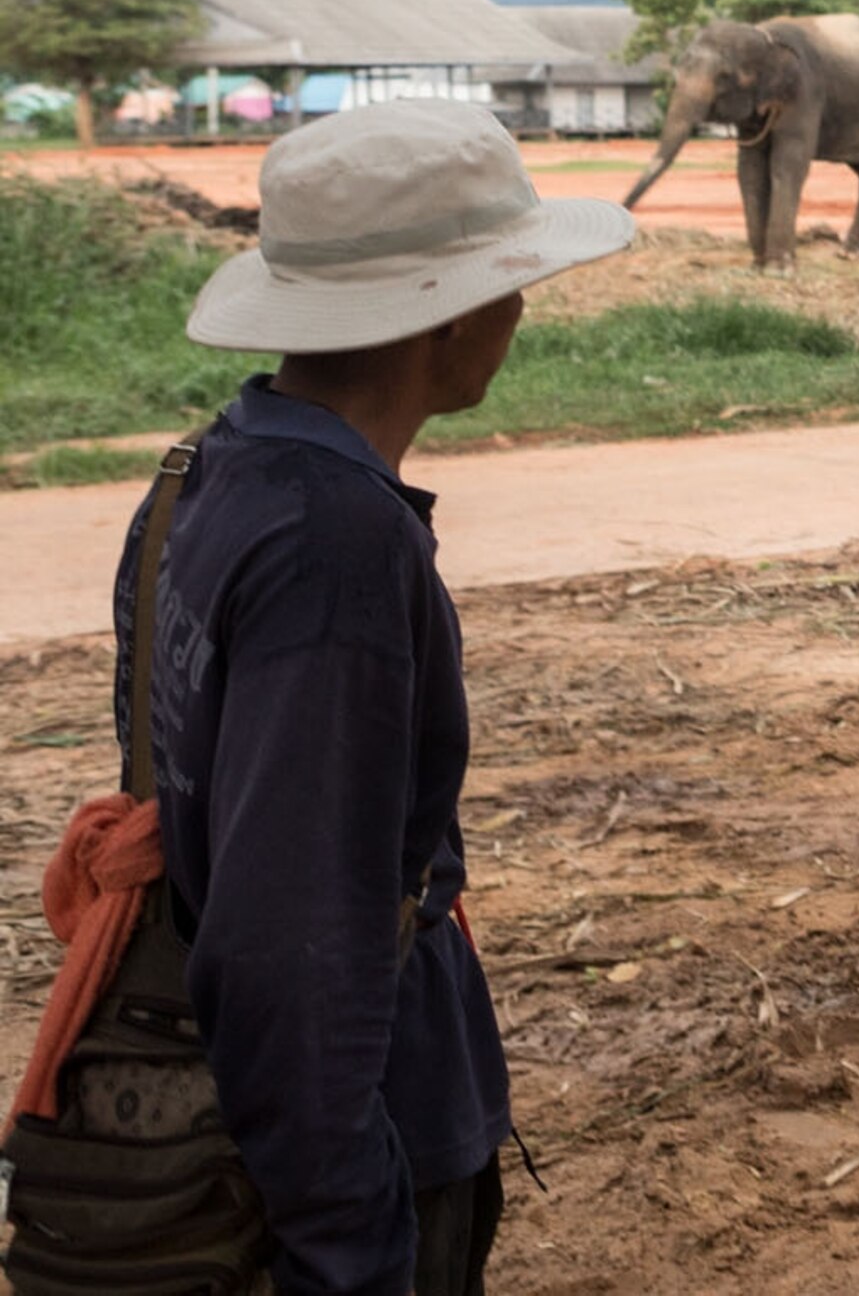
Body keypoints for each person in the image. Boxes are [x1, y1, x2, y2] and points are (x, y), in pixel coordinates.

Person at [114, 100, 632, 1296]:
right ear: (444, 315)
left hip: (241, 1099)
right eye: (512, 281)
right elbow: (295, 942)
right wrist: (347, 1243)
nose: (521, 308)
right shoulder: (338, 546)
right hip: (360, 1130)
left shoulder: (200, 476)